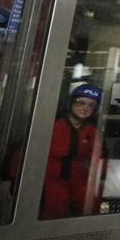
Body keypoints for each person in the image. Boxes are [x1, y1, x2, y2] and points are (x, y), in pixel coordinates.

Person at [38, 83, 106, 219]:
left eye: (91, 105)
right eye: (81, 103)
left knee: (91, 202)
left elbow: (98, 157)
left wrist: (103, 177)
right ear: (71, 103)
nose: (85, 108)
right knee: (56, 205)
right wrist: (8, 178)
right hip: (52, 177)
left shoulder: (92, 130)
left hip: (79, 178)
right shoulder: (53, 124)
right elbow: (24, 151)